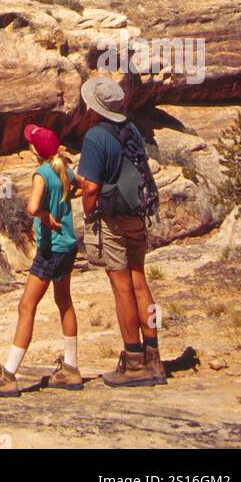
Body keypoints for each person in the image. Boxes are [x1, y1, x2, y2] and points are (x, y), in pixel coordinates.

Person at [0, 124, 83, 398]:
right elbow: (82, 186)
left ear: (35, 150)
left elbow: (33, 208)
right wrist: (64, 200)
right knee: (64, 302)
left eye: (31, 144)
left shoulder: (42, 173)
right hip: (69, 245)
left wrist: (45, 214)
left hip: (50, 249)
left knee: (26, 307)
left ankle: (9, 376)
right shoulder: (64, 169)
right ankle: (71, 368)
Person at [76, 75, 165, 387]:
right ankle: (154, 356)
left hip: (113, 220)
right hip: (137, 214)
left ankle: (134, 360)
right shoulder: (132, 129)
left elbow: (90, 188)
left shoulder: (95, 137)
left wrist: (89, 216)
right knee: (140, 282)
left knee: (122, 287)